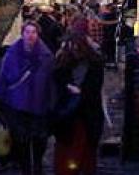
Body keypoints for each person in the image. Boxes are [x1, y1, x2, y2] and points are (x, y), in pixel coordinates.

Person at [0, 22, 55, 175]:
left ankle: (37, 165)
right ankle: (26, 168)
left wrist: (52, 103)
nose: (30, 35)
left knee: (39, 139)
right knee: (22, 140)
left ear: (38, 34)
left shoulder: (46, 56)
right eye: (27, 32)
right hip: (17, 105)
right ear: (22, 34)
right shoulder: (12, 54)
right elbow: (4, 79)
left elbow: (51, 81)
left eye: (33, 32)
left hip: (39, 105)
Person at [52, 18, 106, 174]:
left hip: (86, 115)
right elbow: (57, 77)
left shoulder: (94, 61)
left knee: (84, 155)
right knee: (67, 155)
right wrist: (67, 86)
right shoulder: (64, 59)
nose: (73, 47)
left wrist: (81, 92)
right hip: (68, 116)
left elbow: (95, 87)